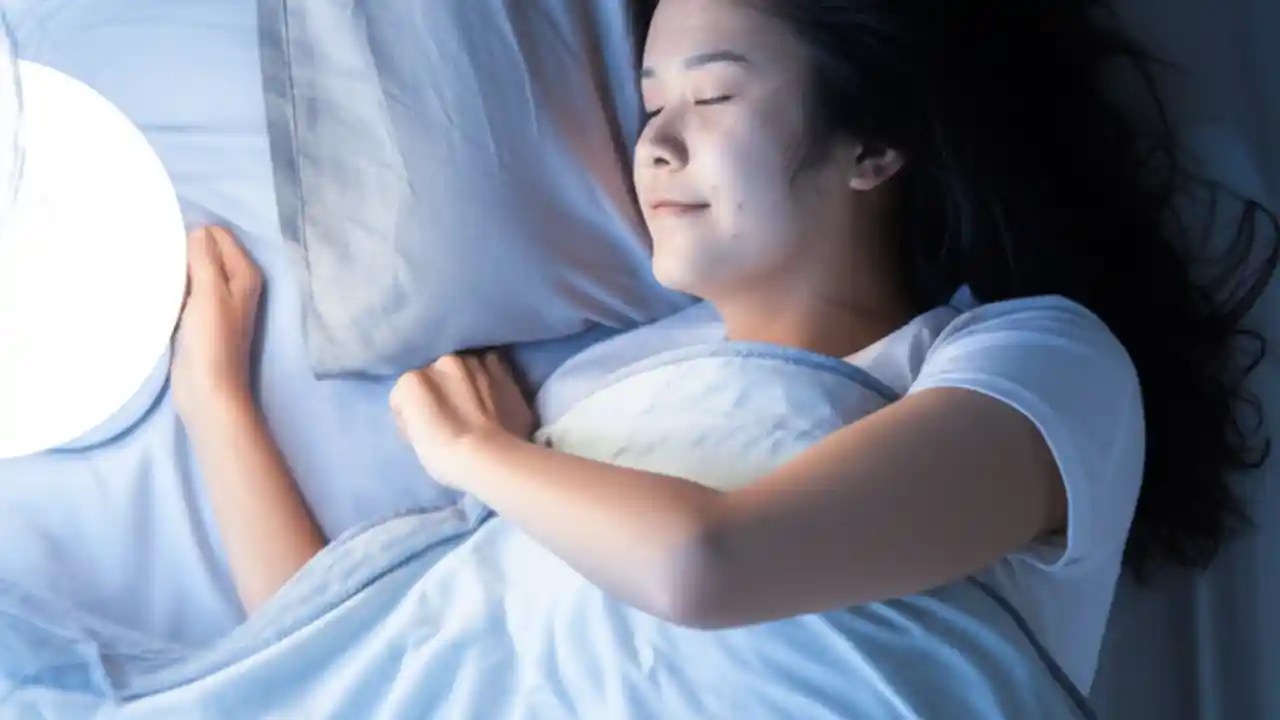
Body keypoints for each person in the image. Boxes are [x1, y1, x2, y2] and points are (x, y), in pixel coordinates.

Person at [170, 0, 1277, 697]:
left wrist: (476, 457)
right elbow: (343, 661)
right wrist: (216, 402)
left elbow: (707, 565)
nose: (655, 139)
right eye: (649, 102)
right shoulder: (603, 398)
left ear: (874, 144)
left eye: (710, 94)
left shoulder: (1036, 361)